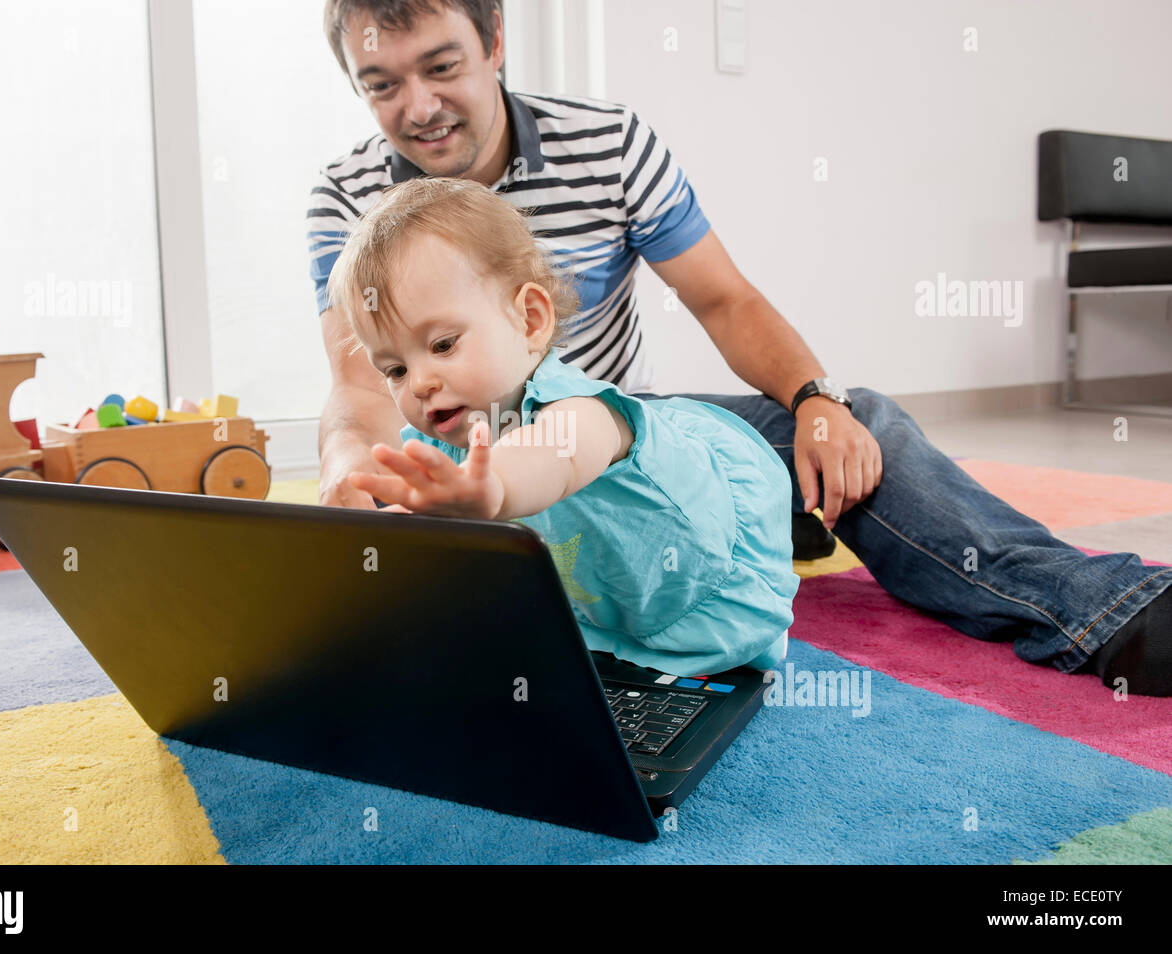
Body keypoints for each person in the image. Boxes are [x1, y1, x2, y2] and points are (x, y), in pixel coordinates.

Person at [309, 0, 1172, 694]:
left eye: (442, 66)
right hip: (469, 456)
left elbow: (723, 300)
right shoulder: (344, 199)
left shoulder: (610, 141)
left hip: (623, 435)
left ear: (495, 40)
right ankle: (766, 519)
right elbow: (358, 386)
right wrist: (353, 480)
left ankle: (1107, 609)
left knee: (854, 425)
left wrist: (815, 402)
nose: (416, 107)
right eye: (380, 83)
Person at [327, 175, 800, 676]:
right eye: (395, 370)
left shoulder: (576, 411)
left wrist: (492, 490)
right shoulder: (443, 449)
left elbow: (548, 457)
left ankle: (804, 523)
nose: (419, 382)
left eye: (443, 345)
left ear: (531, 321)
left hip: (700, 586)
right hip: (605, 606)